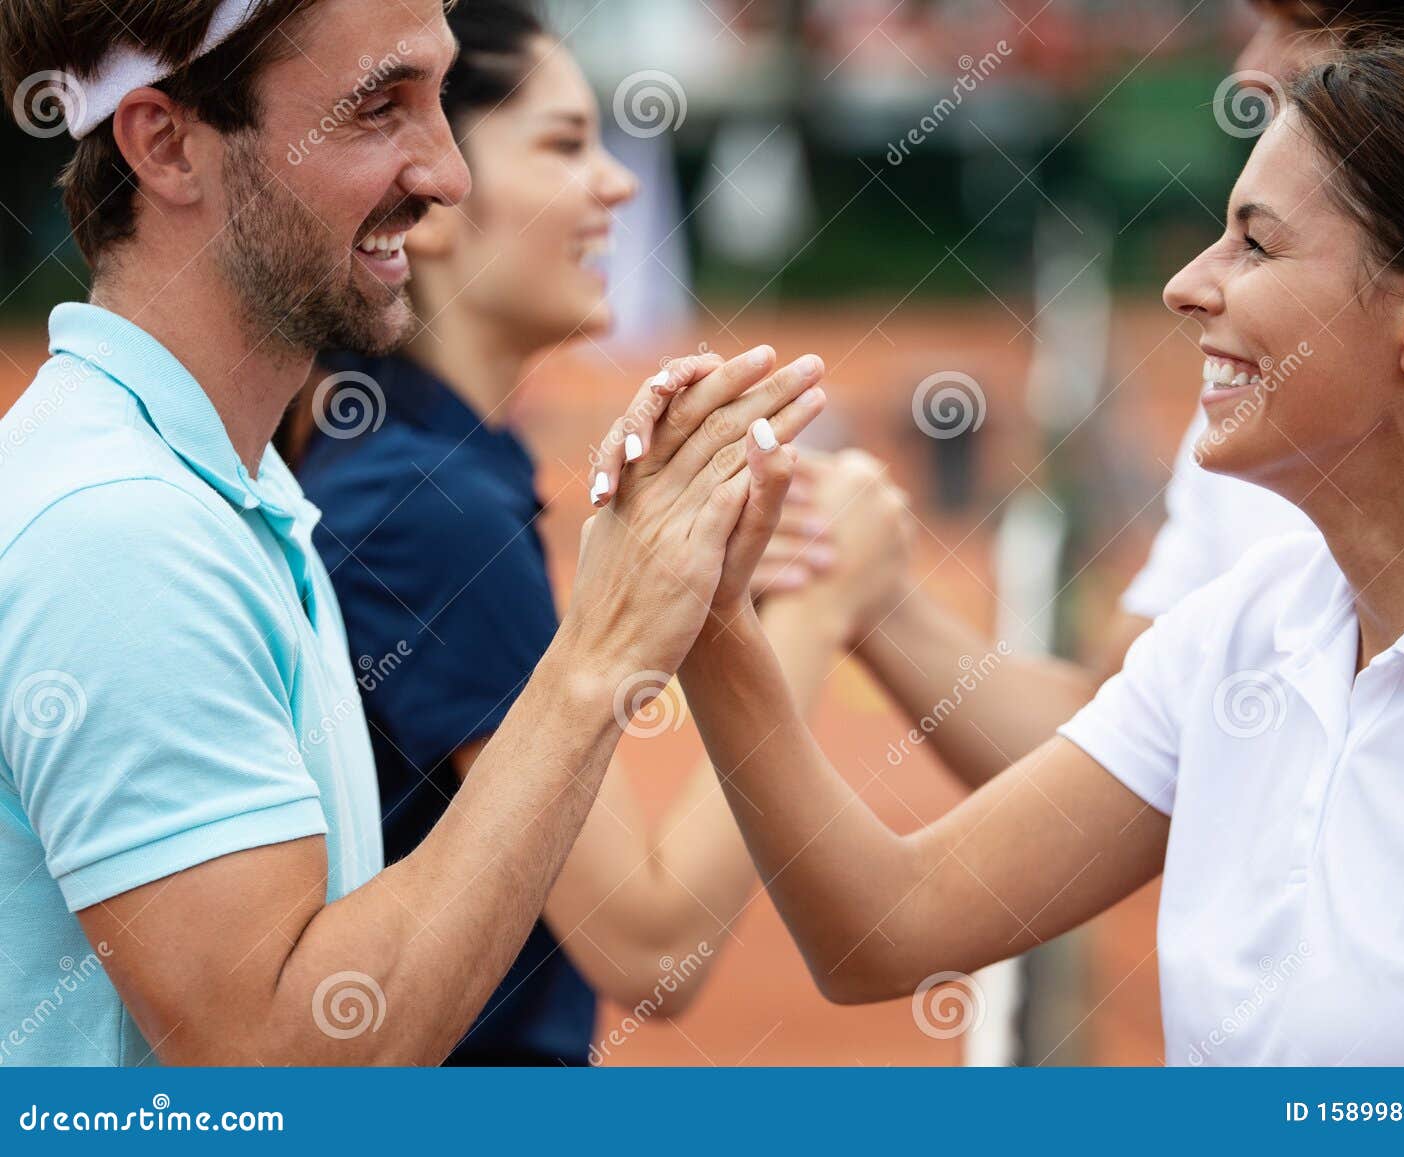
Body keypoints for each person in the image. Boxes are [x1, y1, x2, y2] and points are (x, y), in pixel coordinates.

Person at [618, 37, 1404, 1064]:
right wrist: (716, 617)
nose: (1183, 284)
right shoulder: (1244, 628)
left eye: (1256, 246)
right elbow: (885, 927)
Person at [0, 0, 817, 1066]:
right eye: (378, 108)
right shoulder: (119, 531)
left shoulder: (227, 489)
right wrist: (605, 646)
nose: (447, 177)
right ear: (163, 144)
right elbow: (280, 1069)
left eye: (440, 104)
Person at [289, 0, 906, 1065]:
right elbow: (651, 935)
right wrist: (819, 603)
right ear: (431, 195)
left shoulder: (428, 463)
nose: (617, 183)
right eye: (567, 145)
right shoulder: (424, 505)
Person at [801, 0, 1404, 797]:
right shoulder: (1256, 403)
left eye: (1296, 23)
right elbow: (1112, 745)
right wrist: (857, 582)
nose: (1245, 66)